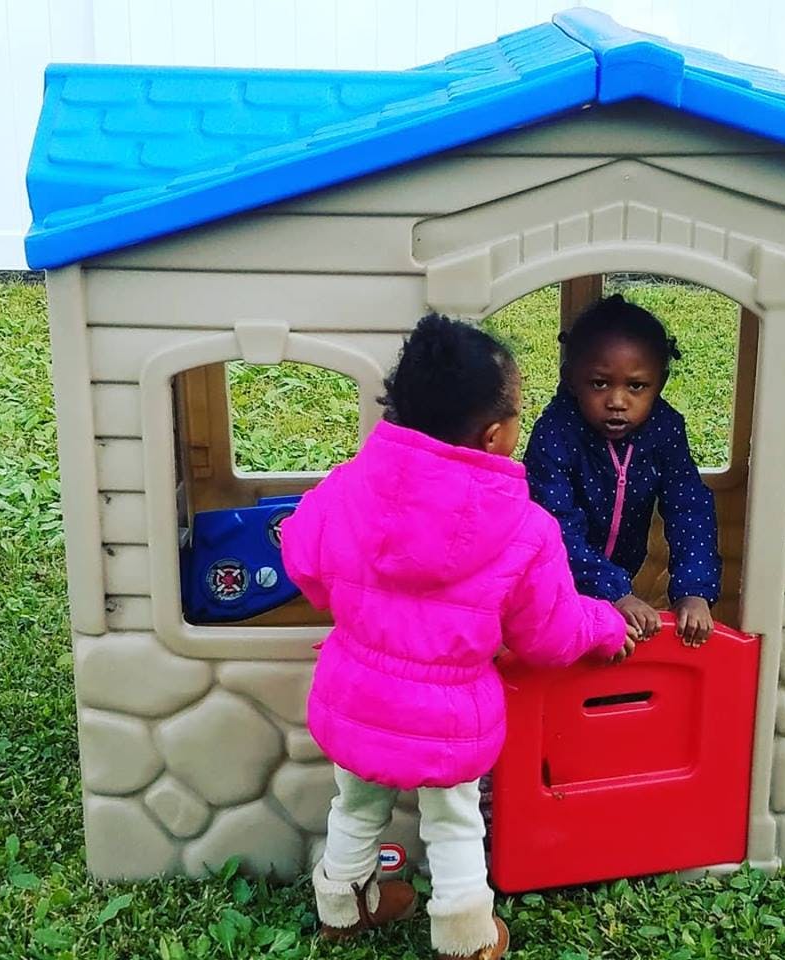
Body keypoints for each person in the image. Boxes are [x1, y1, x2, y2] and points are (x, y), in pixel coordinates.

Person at [281, 313, 638, 960]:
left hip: (354, 695)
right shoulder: (525, 528)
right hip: (447, 716)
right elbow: (549, 635)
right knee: (453, 823)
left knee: (355, 804)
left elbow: (303, 559)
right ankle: (465, 936)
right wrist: (605, 624)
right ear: (496, 435)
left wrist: (358, 613)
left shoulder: (347, 484)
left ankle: (342, 905)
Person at [524, 293, 721, 647]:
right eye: (599, 383)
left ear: (659, 383)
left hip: (620, 577)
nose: (617, 401)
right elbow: (553, 525)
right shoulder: (557, 433)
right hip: (552, 584)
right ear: (570, 379)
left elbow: (689, 508)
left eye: (636, 386)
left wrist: (693, 591)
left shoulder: (663, 429)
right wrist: (613, 592)